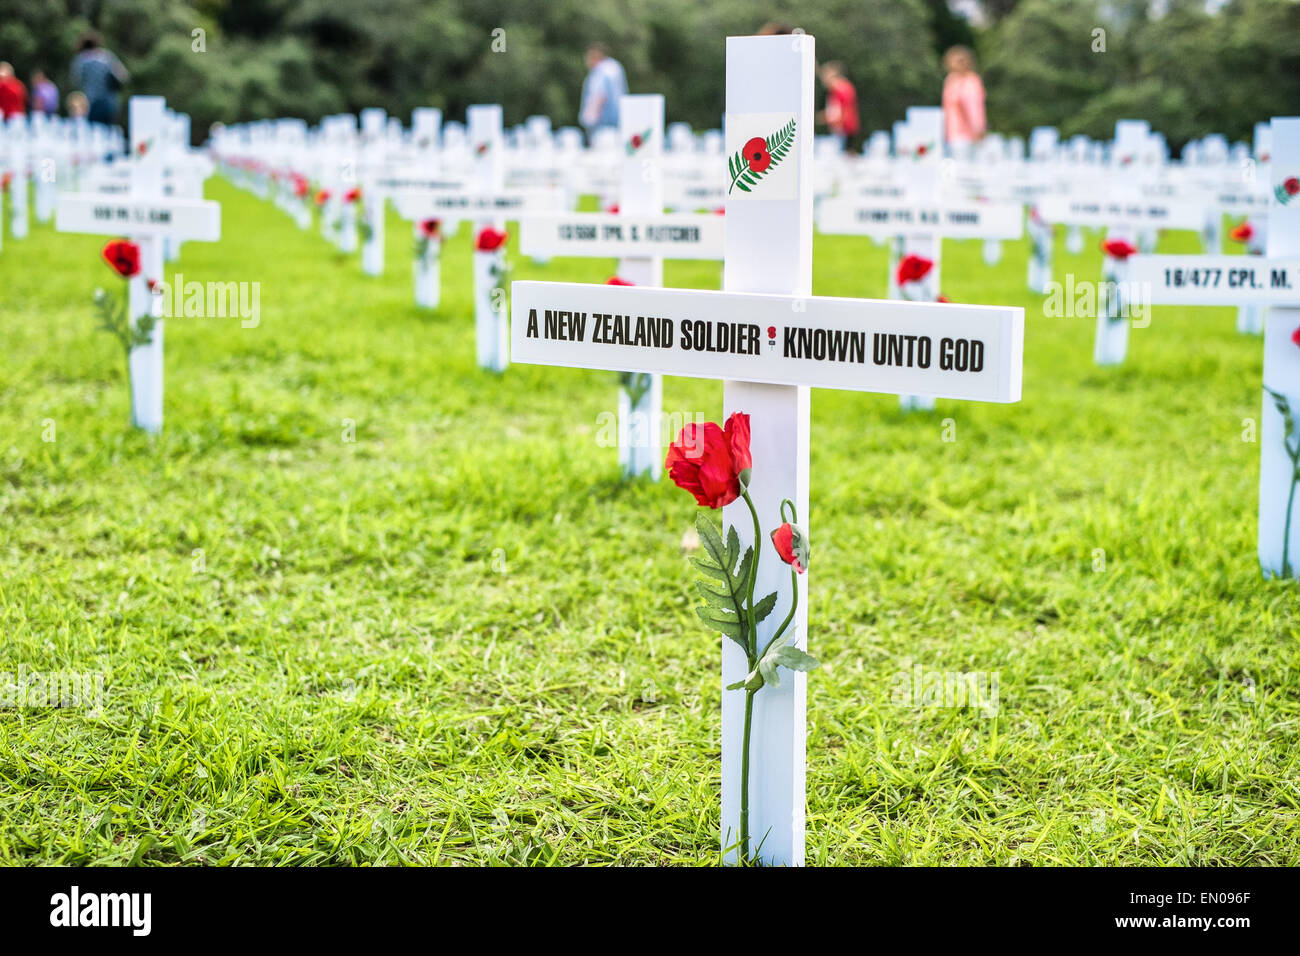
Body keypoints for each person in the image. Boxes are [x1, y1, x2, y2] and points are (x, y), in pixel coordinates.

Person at [70, 31, 129, 126]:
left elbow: (75, 80)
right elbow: (124, 76)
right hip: (111, 102)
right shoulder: (107, 56)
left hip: (92, 103)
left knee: (94, 134)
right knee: (109, 133)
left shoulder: (82, 59)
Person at [942, 45, 986, 157]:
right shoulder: (951, 80)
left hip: (966, 135)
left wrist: (978, 129)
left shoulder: (972, 81)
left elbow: (974, 109)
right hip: (951, 133)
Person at [579, 43, 627, 141]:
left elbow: (599, 96)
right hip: (619, 120)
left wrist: (588, 121)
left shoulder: (600, 71)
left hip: (602, 125)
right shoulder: (615, 67)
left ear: (594, 56)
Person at [817, 61, 859, 151]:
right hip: (845, 129)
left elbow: (838, 113)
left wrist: (819, 118)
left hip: (843, 130)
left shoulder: (840, 90)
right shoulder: (844, 88)